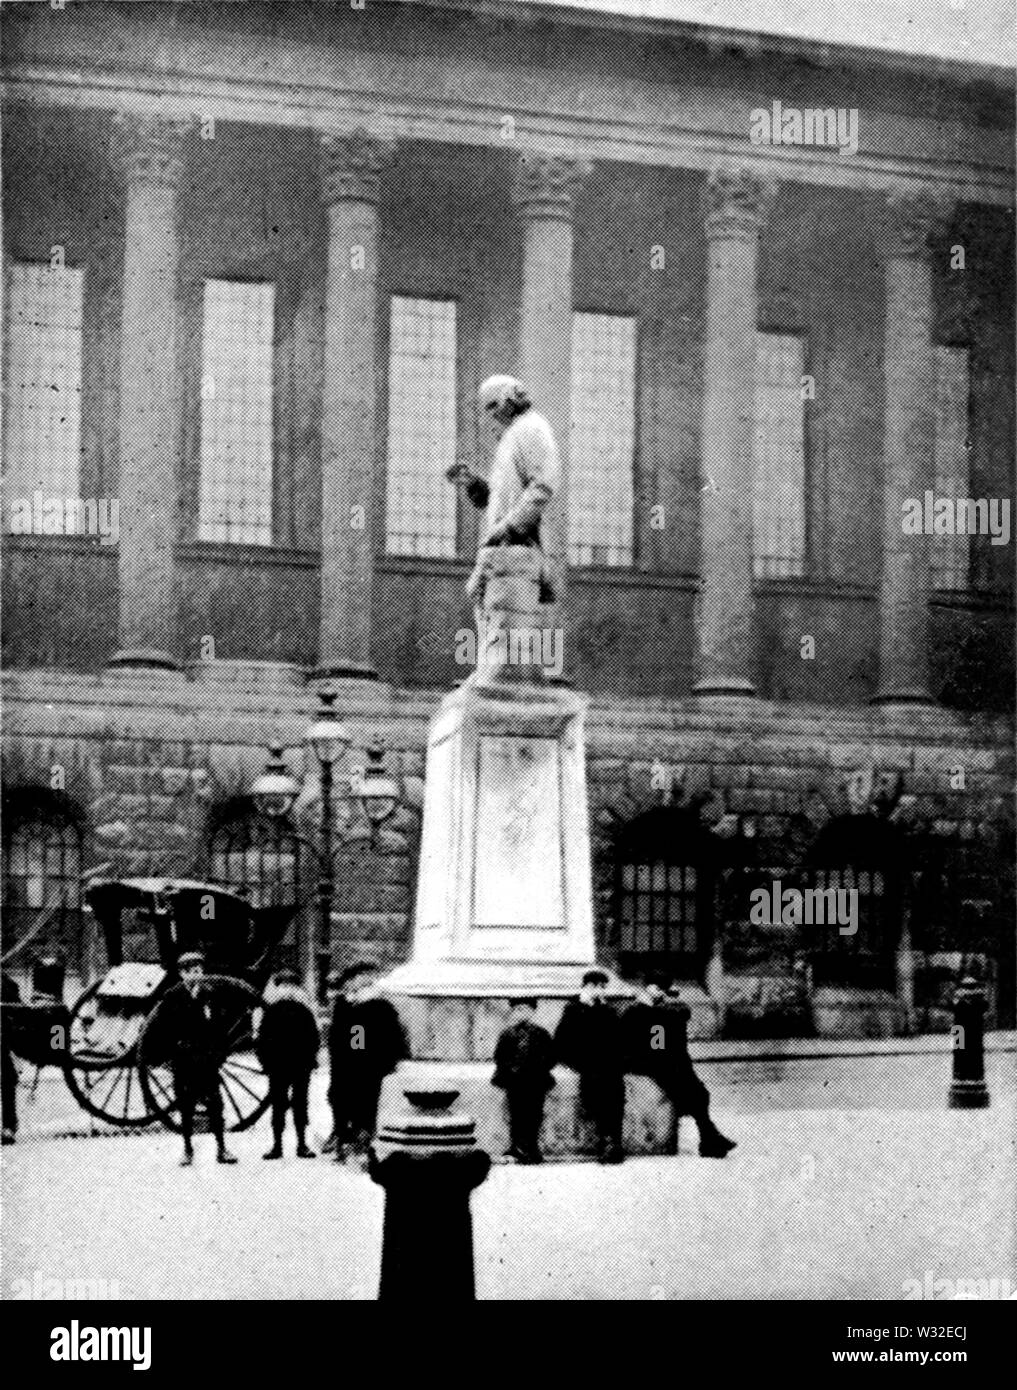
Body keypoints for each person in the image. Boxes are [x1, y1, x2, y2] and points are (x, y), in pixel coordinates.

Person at [446, 375, 561, 684]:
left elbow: (543, 485)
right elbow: (501, 500)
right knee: (488, 612)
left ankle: (496, 680)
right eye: (487, 409)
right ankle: (488, 676)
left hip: (516, 547)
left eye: (493, 406)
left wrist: (509, 527)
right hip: (502, 548)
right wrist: (474, 484)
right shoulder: (513, 435)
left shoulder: (531, 430)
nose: (491, 415)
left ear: (510, 399)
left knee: (507, 626)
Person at [624, 974, 736, 1159]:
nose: (660, 992)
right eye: (656, 987)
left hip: (660, 1061)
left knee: (700, 1092)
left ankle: (709, 1137)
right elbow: (647, 1043)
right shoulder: (635, 1011)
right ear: (647, 988)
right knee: (689, 1092)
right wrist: (654, 1009)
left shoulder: (658, 1010)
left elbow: (661, 1039)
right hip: (641, 1063)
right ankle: (709, 1138)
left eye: (663, 988)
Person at [153, 949, 237, 1167]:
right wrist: (170, 1056)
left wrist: (219, 1055)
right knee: (186, 1106)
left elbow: (221, 1028)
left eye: (198, 970)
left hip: (208, 1060)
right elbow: (163, 1029)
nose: (195, 975)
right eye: (189, 972)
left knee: (216, 1105)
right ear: (182, 974)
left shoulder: (210, 994)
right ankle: (188, 1149)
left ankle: (222, 1148)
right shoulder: (172, 996)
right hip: (183, 1060)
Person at [328, 963, 408, 1162]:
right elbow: (397, 1038)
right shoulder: (383, 1008)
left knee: (357, 1105)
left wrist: (356, 1057)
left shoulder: (359, 1010)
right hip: (371, 1065)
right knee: (364, 1105)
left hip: (360, 1066)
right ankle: (358, 1141)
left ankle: (354, 1143)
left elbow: (357, 1041)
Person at [554, 969, 626, 1164]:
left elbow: (617, 1038)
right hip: (581, 1059)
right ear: (587, 987)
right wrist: (585, 1007)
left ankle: (612, 1141)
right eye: (598, 987)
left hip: (604, 1061)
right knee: (599, 1083)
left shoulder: (608, 1010)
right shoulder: (573, 1008)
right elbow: (562, 1040)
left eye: (603, 987)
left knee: (614, 1087)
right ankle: (608, 1141)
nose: (601, 991)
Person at [256, 968, 320, 1160]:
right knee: (278, 1105)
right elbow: (262, 1040)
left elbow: (313, 1038)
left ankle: (302, 1144)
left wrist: (310, 1060)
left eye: (292, 986)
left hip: (301, 1066)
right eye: (284, 986)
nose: (288, 990)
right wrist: (266, 1063)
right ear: (278, 988)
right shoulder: (271, 1012)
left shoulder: (304, 1012)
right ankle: (277, 1146)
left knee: (301, 1104)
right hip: (278, 1066)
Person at [492, 998, 556, 1163]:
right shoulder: (507, 1034)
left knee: (534, 1116)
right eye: (518, 1010)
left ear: (533, 1012)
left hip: (536, 1082)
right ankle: (517, 1147)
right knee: (516, 1115)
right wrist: (509, 1070)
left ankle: (532, 1148)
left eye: (526, 1009)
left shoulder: (541, 1034)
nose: (522, 1013)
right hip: (515, 1083)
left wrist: (538, 1068)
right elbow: (500, 1056)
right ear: (513, 1012)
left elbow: (551, 1057)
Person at [1, 971, 22, 1144]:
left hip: (4, 1035)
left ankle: (9, 1124)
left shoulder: (5, 984)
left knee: (7, 1077)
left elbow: (17, 1012)